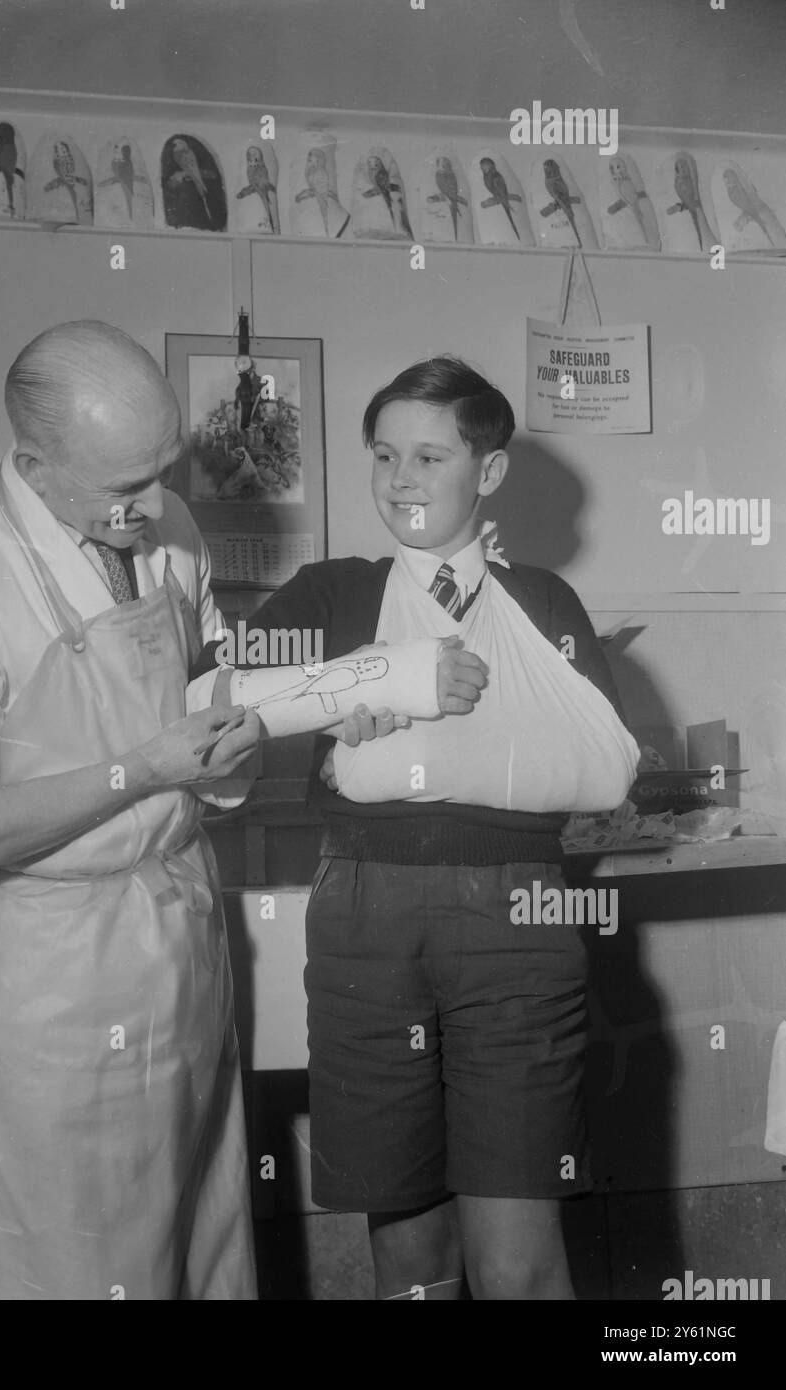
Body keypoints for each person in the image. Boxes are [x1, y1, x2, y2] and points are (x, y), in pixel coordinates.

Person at [190, 355, 638, 1300]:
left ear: (489, 472)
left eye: (430, 457)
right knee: (411, 1266)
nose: (401, 480)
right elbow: (208, 705)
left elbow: (603, 769)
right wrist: (364, 681)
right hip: (363, 919)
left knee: (516, 1265)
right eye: (384, 455)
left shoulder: (543, 603)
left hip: (519, 921)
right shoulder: (329, 595)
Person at [0, 320, 268, 1300]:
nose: (152, 505)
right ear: (34, 466)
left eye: (161, 470)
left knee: (196, 1245)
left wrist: (234, 746)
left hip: (180, 947)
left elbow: (203, 680)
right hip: (42, 991)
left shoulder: (165, 526)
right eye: (122, 488)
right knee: (59, 1263)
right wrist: (141, 767)